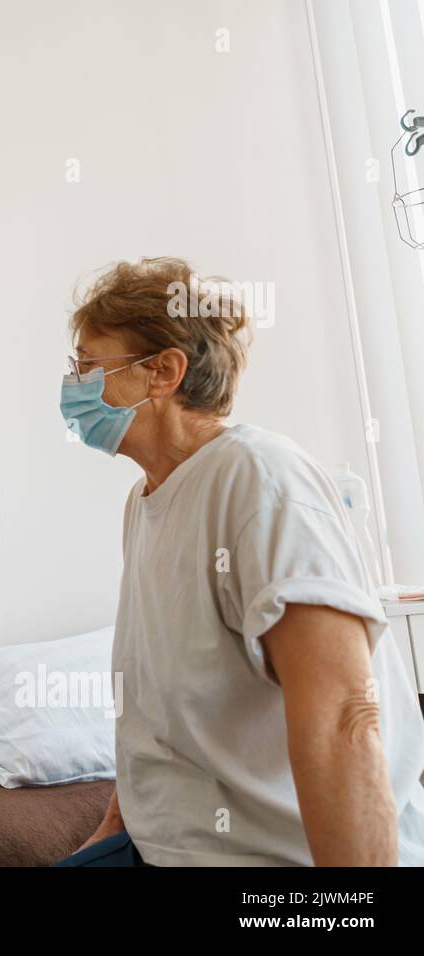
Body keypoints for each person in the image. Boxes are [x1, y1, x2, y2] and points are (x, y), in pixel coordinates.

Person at [55, 258, 424, 866]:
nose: (74, 385)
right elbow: (159, 715)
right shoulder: (147, 500)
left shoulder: (258, 479)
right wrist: (114, 828)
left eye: (90, 365)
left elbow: (342, 719)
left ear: (163, 373)